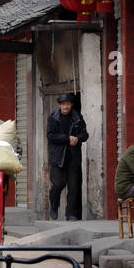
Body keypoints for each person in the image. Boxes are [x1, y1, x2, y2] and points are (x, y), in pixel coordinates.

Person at [47, 93, 89, 221]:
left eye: (68, 104)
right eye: (63, 104)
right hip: (58, 156)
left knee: (74, 185)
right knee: (58, 183)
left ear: (71, 105)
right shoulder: (52, 118)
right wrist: (67, 138)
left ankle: (71, 214)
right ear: (60, 105)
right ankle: (54, 205)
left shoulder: (77, 117)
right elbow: (50, 136)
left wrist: (78, 138)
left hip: (73, 156)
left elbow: (85, 135)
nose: (66, 106)